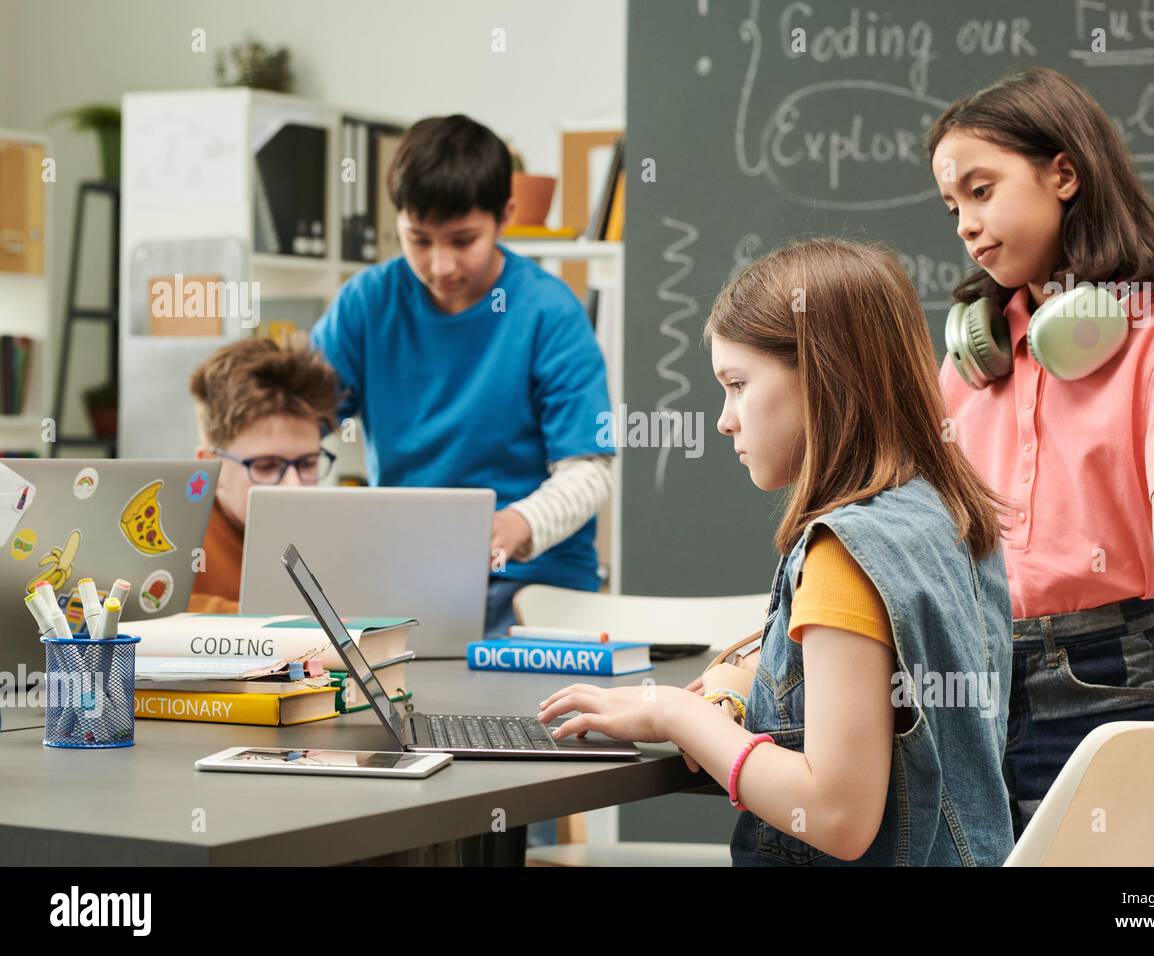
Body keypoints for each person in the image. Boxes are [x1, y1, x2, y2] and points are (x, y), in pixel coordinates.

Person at [538, 238, 1016, 865]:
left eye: (737, 385)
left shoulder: (845, 556)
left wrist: (676, 715)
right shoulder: (946, 513)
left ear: (824, 378)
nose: (724, 420)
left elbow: (836, 816)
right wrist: (735, 690)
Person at [927, 67, 1154, 865]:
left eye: (982, 190)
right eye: (953, 208)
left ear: (1064, 173)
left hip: (1106, 676)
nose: (967, 226)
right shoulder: (971, 364)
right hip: (970, 684)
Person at [311, 114, 614, 640]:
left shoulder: (548, 311)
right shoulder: (365, 303)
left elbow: (589, 470)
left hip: (534, 588)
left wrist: (518, 525)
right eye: (419, 240)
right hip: (404, 581)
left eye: (462, 239)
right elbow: (297, 421)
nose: (441, 265)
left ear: (506, 215)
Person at [187, 334, 343, 613]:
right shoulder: (167, 549)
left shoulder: (337, 536)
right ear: (210, 466)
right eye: (266, 466)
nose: (294, 487)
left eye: (308, 463)